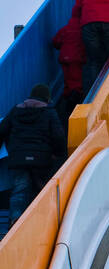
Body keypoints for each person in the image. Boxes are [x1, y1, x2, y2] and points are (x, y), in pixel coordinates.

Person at [0, 84, 66, 225]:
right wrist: (59, 154)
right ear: (47, 98)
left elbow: (2, 130)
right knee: (41, 190)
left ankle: (15, 221)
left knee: (19, 190)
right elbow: (59, 136)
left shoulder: (16, 110)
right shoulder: (49, 112)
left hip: (18, 159)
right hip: (42, 159)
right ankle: (40, 223)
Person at [51, 11, 85, 124]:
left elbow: (55, 41)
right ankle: (74, 101)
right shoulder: (83, 29)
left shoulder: (66, 28)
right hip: (77, 58)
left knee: (68, 79)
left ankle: (67, 95)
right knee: (76, 81)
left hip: (64, 58)